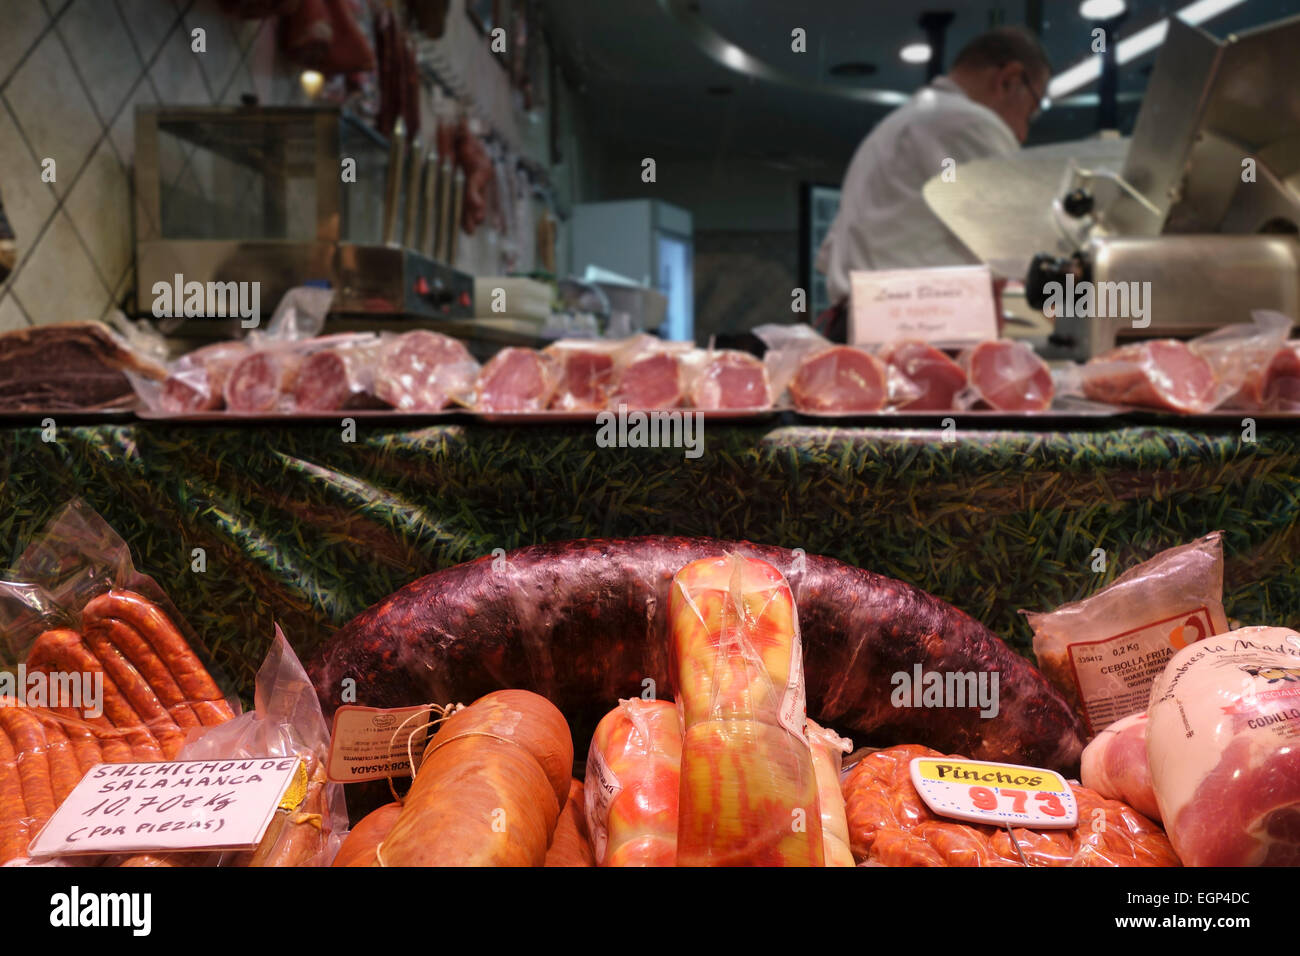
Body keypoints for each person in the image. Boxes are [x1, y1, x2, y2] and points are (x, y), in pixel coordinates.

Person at [815, 27, 1052, 340]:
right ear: (1008, 80)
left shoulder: (893, 126)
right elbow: (1019, 243)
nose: (1023, 133)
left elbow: (830, 254)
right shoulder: (968, 123)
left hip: (864, 327)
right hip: (915, 332)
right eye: (1031, 111)